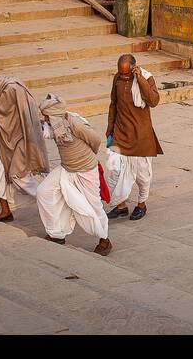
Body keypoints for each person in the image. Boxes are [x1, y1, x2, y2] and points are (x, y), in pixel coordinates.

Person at [35, 95, 111, 256]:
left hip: (86, 169)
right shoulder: (54, 124)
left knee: (93, 205)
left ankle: (105, 240)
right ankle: (57, 234)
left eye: (47, 116)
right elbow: (46, 132)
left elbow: (96, 140)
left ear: (54, 115)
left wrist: (85, 156)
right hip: (66, 168)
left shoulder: (75, 123)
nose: (45, 119)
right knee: (44, 191)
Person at [0, 69, 49, 222]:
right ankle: (5, 210)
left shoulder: (13, 88)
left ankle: (52, 199)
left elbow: (28, 110)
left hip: (21, 137)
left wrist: (31, 139)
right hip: (2, 138)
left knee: (19, 176)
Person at [104, 54, 161, 221]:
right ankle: (121, 206)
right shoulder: (117, 79)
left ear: (134, 68)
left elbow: (154, 100)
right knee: (114, 171)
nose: (123, 77)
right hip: (120, 133)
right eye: (120, 74)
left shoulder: (146, 78)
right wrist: (109, 129)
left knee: (142, 174)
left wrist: (139, 79)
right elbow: (113, 103)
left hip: (140, 135)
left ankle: (141, 204)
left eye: (126, 74)